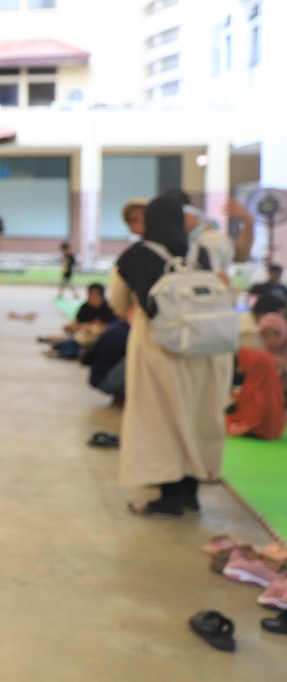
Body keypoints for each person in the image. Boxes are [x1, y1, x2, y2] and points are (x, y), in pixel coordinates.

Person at [110, 197, 231, 518]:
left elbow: (118, 302)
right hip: (204, 350)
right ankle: (191, 492)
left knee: (161, 420)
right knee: (196, 417)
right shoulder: (200, 252)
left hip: (159, 350)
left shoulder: (135, 255)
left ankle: (169, 497)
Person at [41, 282, 117, 360]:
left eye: (96, 295)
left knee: (75, 351)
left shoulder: (108, 309)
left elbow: (110, 327)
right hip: (81, 337)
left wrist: (94, 327)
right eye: (91, 295)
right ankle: (57, 347)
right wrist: (77, 327)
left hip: (96, 341)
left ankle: (59, 352)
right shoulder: (85, 307)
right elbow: (76, 323)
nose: (93, 298)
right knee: (60, 345)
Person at [227, 346, 284, 441]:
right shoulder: (272, 389)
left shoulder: (254, 391)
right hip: (273, 430)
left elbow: (248, 419)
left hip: (256, 430)